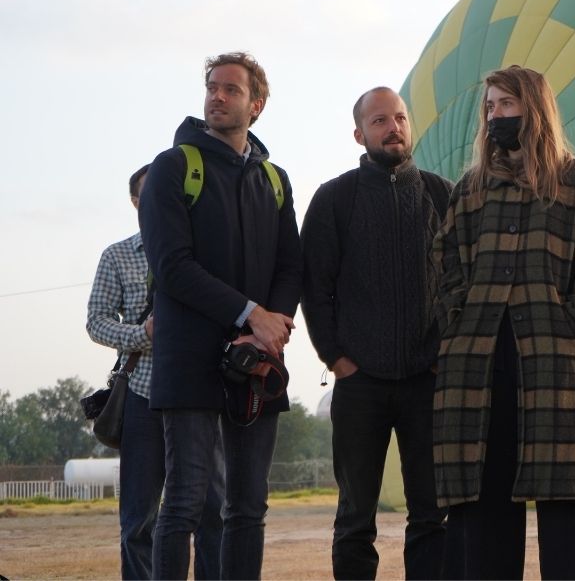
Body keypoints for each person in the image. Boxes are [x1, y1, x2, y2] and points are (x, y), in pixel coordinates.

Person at [432, 65, 575, 580]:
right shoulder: (470, 190)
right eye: (489, 107)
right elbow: (445, 265)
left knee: (567, 515)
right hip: (478, 368)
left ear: (533, 109)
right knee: (483, 509)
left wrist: (571, 327)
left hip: (554, 368)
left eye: (506, 105)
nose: (495, 115)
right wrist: (457, 319)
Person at [140, 51, 302, 580]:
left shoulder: (274, 180)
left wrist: (272, 323)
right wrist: (252, 313)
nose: (217, 95)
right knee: (185, 503)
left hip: (255, 362)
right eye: (212, 86)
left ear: (256, 105)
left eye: (231, 89)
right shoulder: (172, 168)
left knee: (247, 508)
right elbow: (172, 268)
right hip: (188, 362)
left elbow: (290, 264)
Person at [301, 86, 454, 579]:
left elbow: (462, 281)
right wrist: (335, 358)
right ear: (359, 133)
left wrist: (442, 353)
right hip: (359, 382)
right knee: (354, 519)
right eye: (380, 120)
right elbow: (314, 287)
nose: (394, 128)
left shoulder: (440, 194)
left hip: (426, 382)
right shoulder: (334, 198)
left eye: (401, 118)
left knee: (432, 516)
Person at [86, 164, 224, 580]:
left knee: (214, 513)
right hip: (144, 399)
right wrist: (143, 333)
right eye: (154, 192)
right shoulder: (118, 255)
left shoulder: (206, 255)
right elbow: (96, 322)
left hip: (201, 395)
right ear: (136, 203)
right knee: (139, 519)